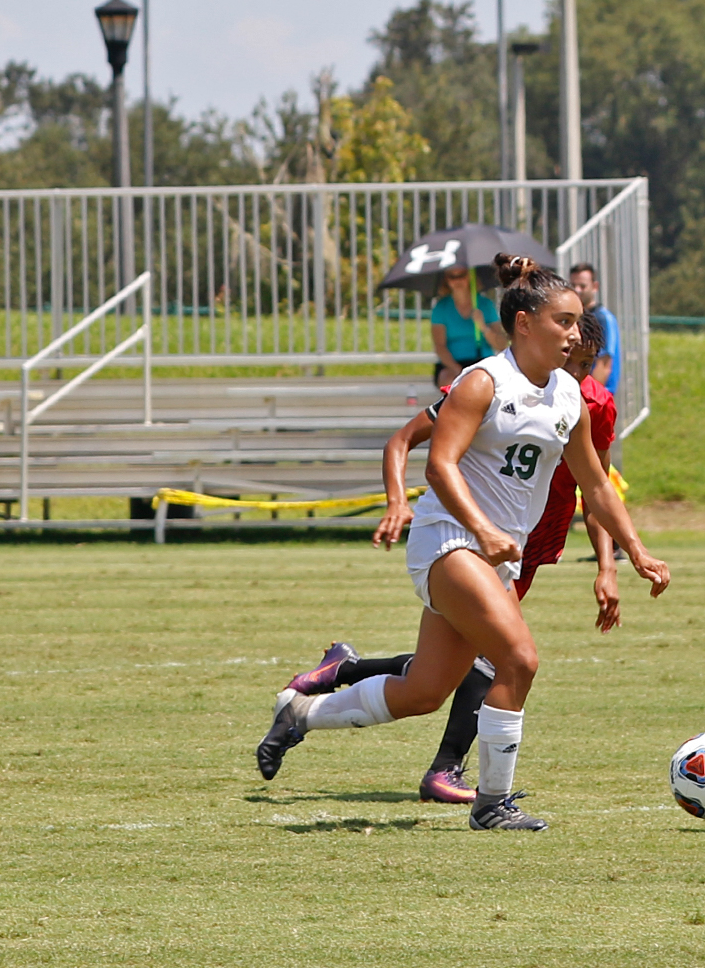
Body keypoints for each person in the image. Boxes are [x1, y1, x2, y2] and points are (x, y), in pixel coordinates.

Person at [256, 254, 670, 833]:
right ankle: (492, 803)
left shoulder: (569, 399)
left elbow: (596, 486)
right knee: (518, 659)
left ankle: (301, 713)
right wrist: (482, 531)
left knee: (426, 690)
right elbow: (441, 466)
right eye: (564, 321)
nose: (576, 335)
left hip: (493, 552)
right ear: (524, 322)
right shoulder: (482, 382)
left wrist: (636, 550)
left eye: (578, 323)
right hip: (447, 541)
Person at [288, 313, 620, 806]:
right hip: (472, 539)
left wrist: (610, 564)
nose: (575, 367)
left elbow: (597, 488)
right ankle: (460, 778)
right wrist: (399, 501)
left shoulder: (589, 403)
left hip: (527, 544)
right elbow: (409, 444)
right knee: (505, 656)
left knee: (444, 674)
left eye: (587, 362)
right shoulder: (487, 384)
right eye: (570, 352)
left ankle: (335, 679)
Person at [429, 265, 508, 387]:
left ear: (471, 277)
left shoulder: (485, 305)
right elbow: (440, 347)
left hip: (482, 362)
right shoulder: (441, 307)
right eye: (452, 277)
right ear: (446, 280)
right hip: (452, 366)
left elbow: (501, 344)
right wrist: (459, 371)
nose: (457, 280)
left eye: (462, 275)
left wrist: (483, 327)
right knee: (449, 381)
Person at [568, 263, 621, 396]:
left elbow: (604, 364)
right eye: (573, 286)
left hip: (597, 397)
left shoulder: (603, 318)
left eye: (582, 286)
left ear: (595, 287)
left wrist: (590, 399)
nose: (577, 290)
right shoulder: (575, 317)